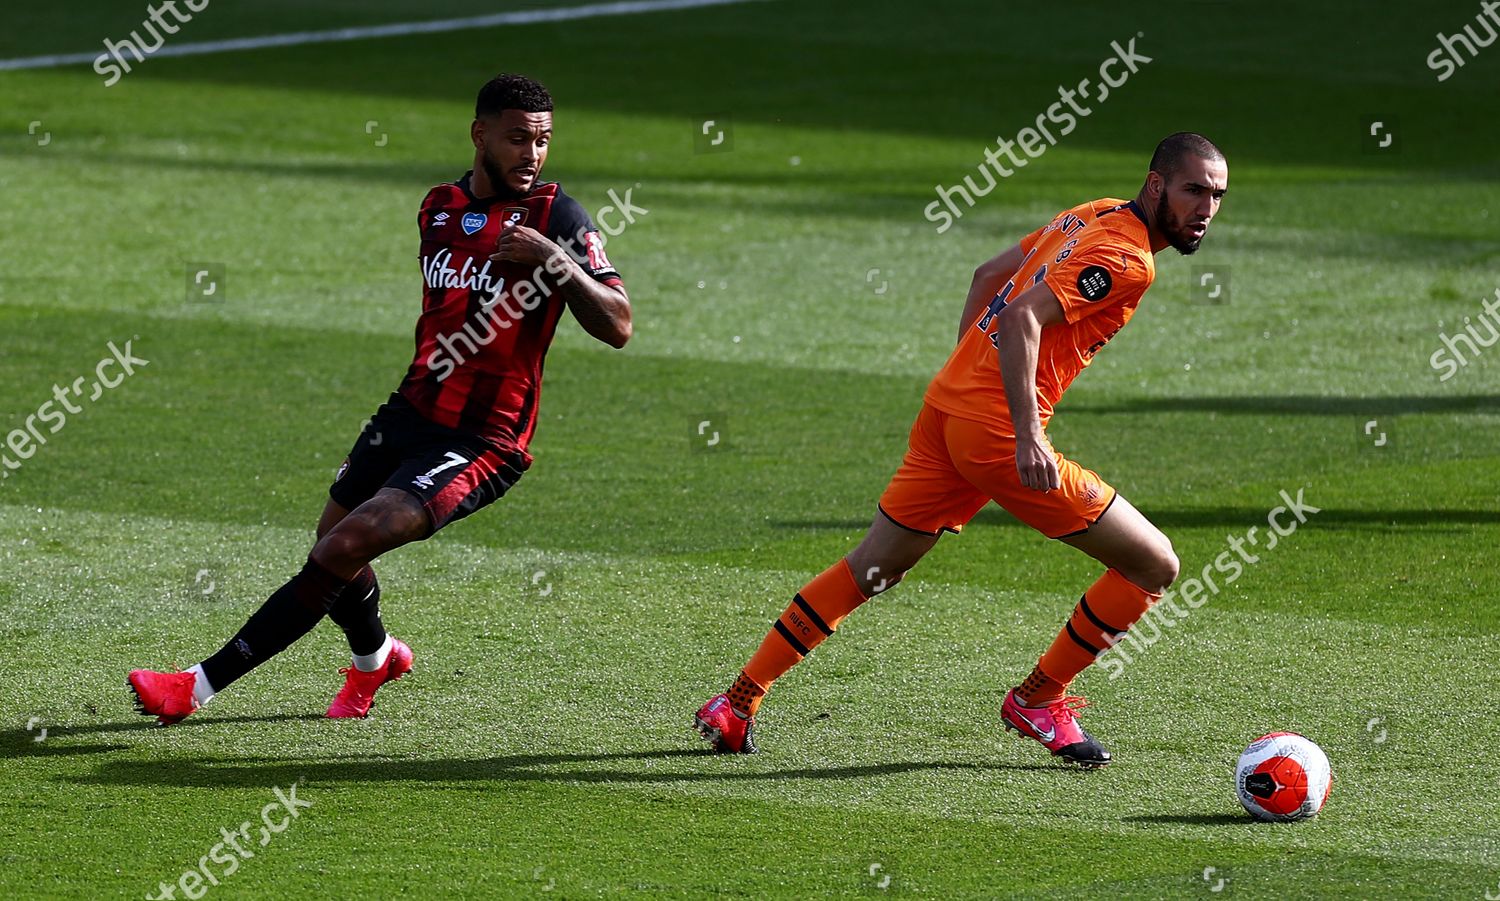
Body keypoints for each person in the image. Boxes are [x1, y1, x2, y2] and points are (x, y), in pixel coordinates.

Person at [694, 133, 1228, 766]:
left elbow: (989, 276)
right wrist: (1028, 433)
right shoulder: (1128, 258)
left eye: (1218, 195)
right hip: (997, 436)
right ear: (1157, 184)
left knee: (873, 568)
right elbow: (1022, 316)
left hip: (947, 412)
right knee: (1154, 566)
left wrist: (964, 374)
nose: (1206, 208)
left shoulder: (1094, 213)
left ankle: (737, 701)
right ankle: (1039, 698)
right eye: (1194, 190)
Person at [128, 73, 632, 724]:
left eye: (542, 141)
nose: (532, 155)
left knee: (341, 549)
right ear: (480, 135)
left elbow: (619, 325)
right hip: (410, 411)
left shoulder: (556, 218)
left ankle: (193, 688)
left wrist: (555, 262)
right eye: (517, 139)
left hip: (482, 439)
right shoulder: (438, 209)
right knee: (333, 544)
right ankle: (377, 659)